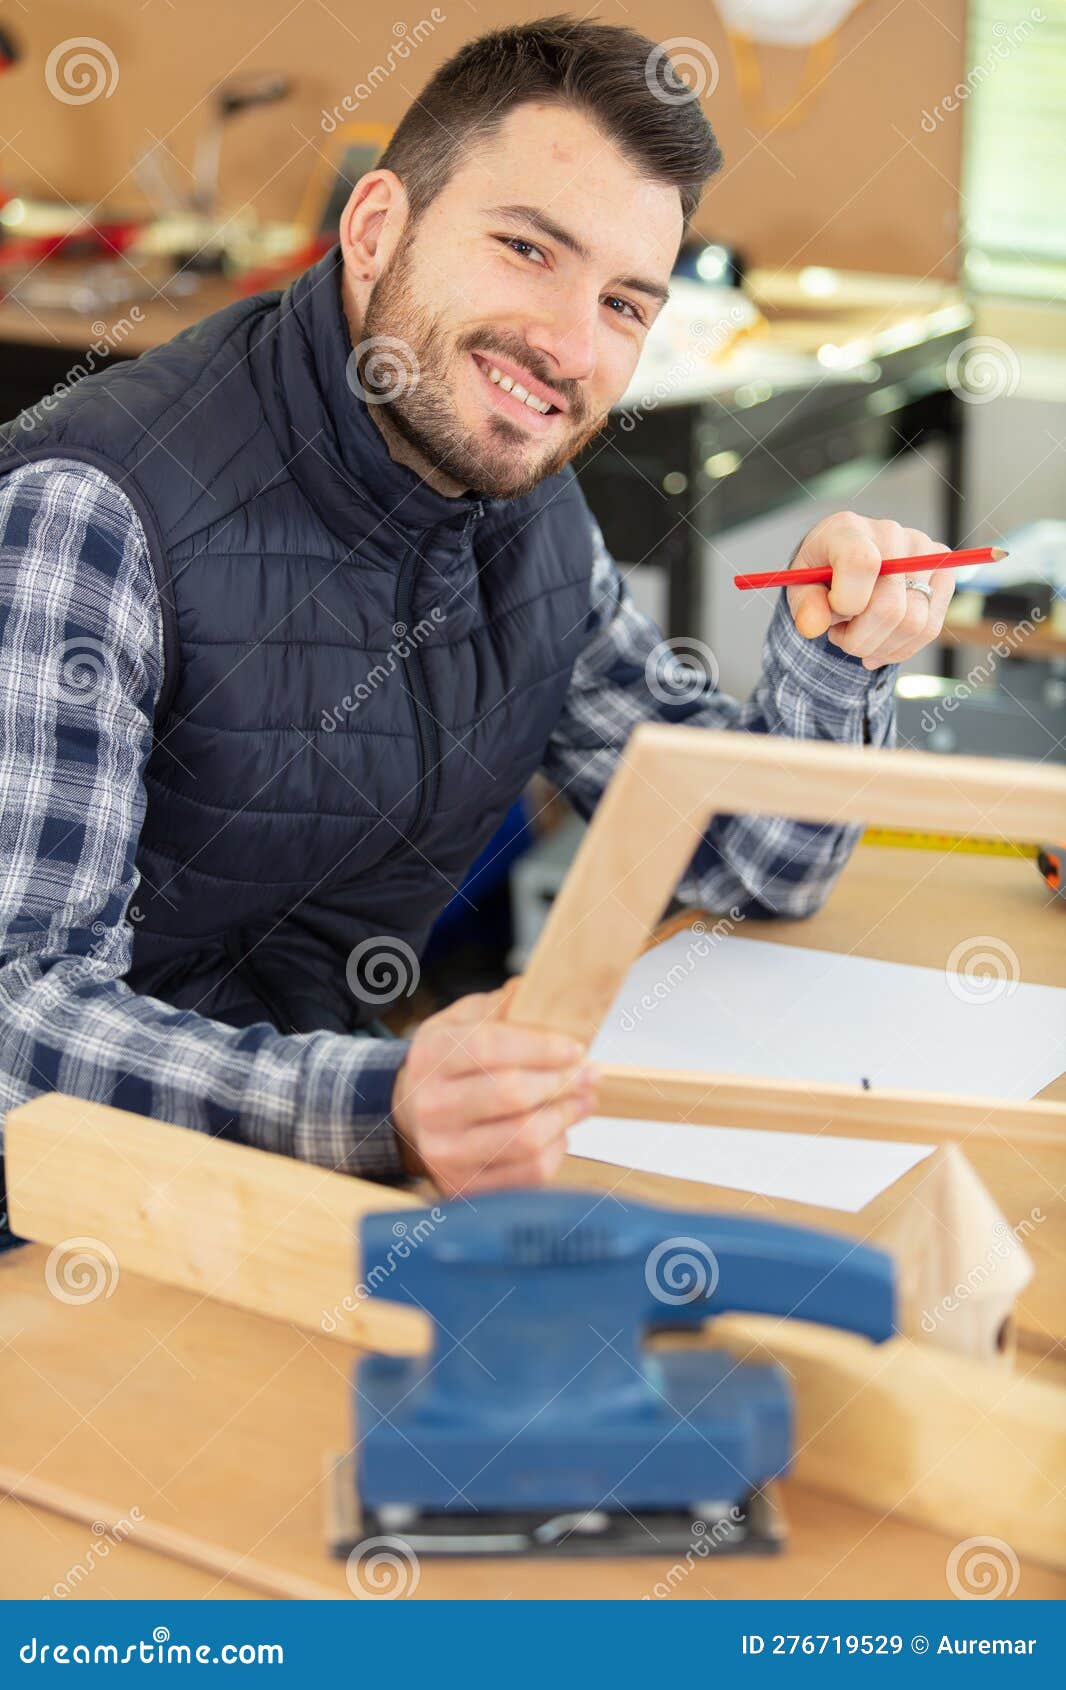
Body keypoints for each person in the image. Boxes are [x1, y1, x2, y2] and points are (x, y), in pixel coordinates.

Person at [0, 17, 954, 1202]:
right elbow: (15, 1022)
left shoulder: (527, 505)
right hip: (63, 1234)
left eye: (624, 304)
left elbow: (756, 867)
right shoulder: (93, 509)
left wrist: (828, 658)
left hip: (305, 1185)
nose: (566, 345)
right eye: (526, 248)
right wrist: (372, 1104)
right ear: (374, 227)